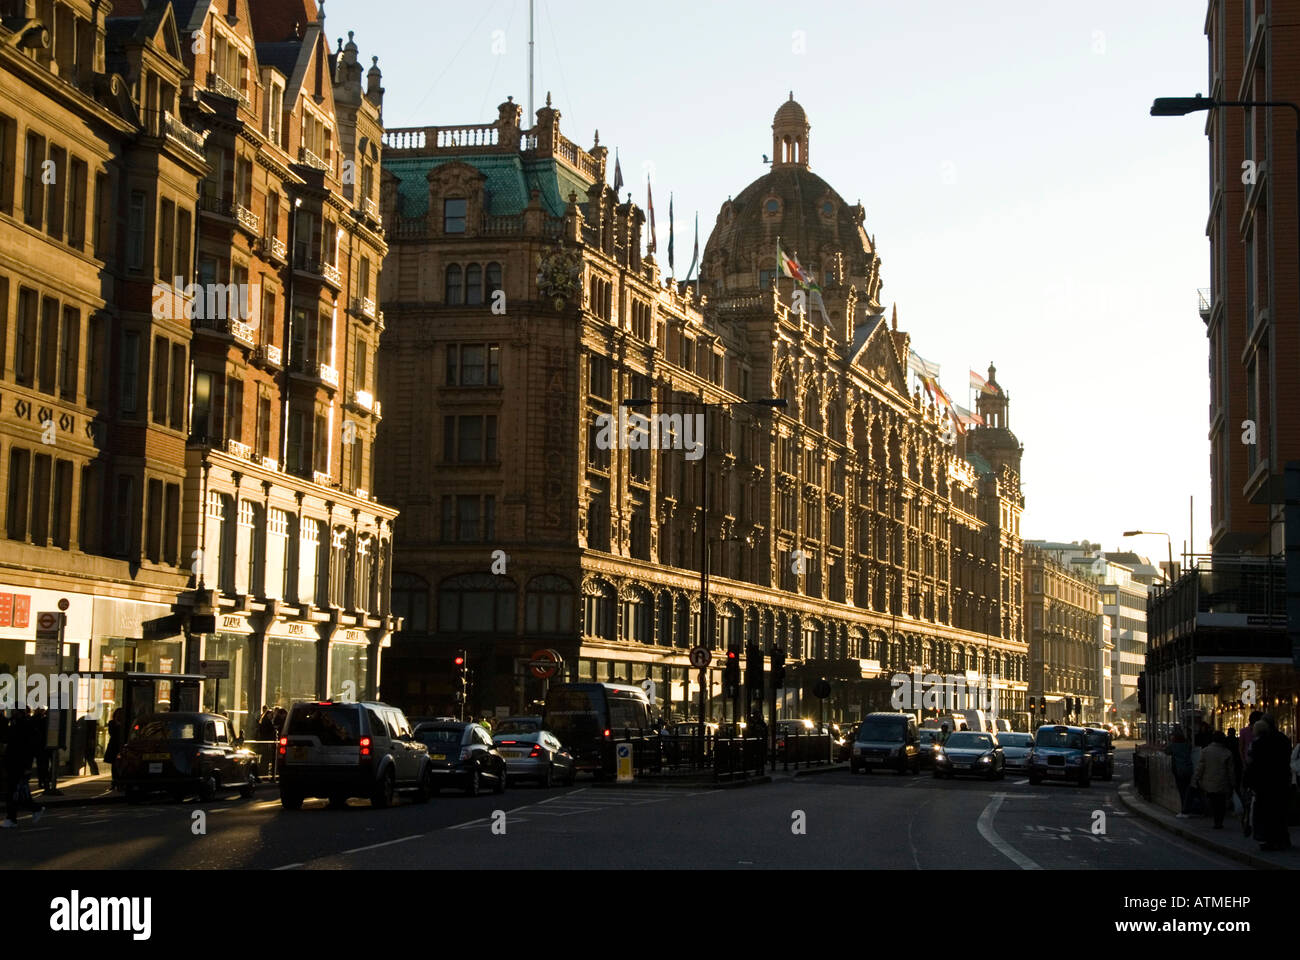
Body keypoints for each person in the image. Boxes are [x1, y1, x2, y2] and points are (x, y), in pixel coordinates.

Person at [1245, 716, 1293, 852]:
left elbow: (1252, 764)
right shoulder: (1283, 739)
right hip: (1281, 780)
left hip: (1263, 783)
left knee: (1265, 812)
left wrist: (1248, 782)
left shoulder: (1258, 743)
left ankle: (1268, 839)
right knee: (1280, 811)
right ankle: (1282, 838)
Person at [2, 710, 45, 827]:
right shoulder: (16, 724)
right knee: (17, 792)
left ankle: (12, 818)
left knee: (13, 791)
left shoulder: (23, 726)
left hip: (18, 764)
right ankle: (33, 809)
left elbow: (27, 748)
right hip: (15, 763)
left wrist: (26, 765)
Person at [1192, 730, 1235, 829]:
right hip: (1223, 781)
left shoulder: (1205, 751)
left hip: (1208, 781)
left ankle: (1216, 819)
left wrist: (1196, 779)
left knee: (1213, 801)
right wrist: (1233, 782)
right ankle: (1219, 820)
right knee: (1221, 802)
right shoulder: (1227, 753)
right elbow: (1231, 770)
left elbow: (1200, 767)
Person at [1165, 727, 1194, 818]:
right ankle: (1187, 809)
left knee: (1182, 791)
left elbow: (1167, 751)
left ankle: (1184, 810)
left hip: (1179, 770)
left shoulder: (1174, 746)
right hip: (1188, 769)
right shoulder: (1187, 745)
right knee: (1187, 790)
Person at [103, 708, 123, 789]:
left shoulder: (123, 723)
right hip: (114, 746)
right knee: (114, 766)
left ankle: (119, 782)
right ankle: (114, 782)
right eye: (118, 714)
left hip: (120, 746)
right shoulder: (112, 723)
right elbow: (112, 733)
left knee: (120, 765)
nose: (119, 716)